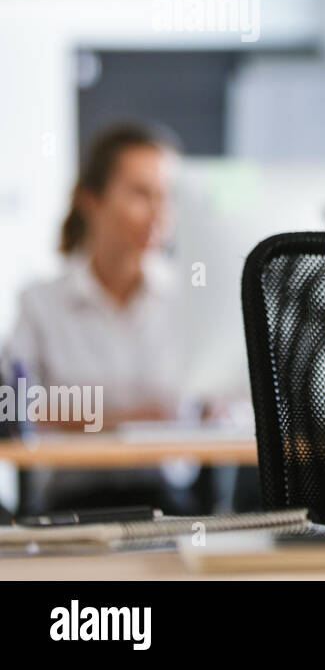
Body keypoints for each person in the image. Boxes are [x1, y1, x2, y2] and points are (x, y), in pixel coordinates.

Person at [1, 121, 201, 513]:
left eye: (167, 196)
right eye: (141, 194)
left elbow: (222, 401)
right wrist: (123, 418)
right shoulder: (42, 302)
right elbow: (13, 404)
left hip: (170, 504)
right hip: (69, 501)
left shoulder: (189, 300)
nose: (160, 213)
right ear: (91, 200)